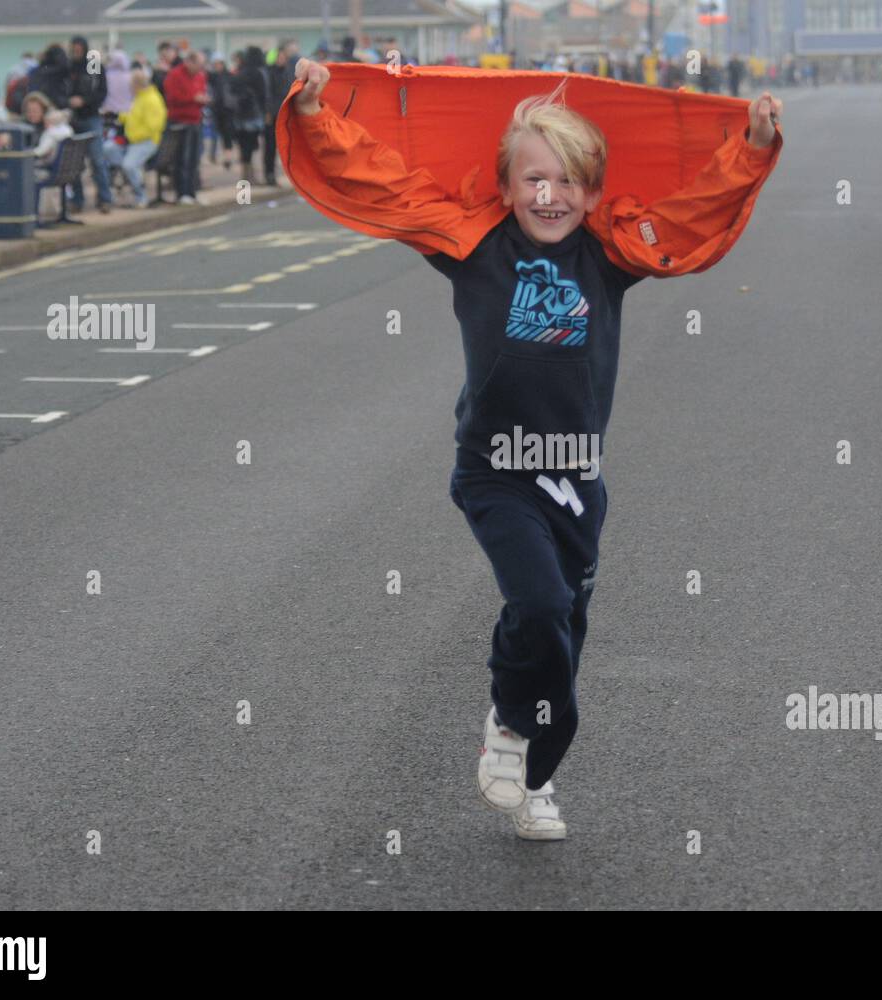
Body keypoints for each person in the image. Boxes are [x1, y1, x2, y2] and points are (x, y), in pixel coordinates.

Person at [280, 60, 784, 840]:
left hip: (577, 481)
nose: (549, 195)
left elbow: (689, 215)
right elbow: (382, 179)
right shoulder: (470, 244)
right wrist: (317, 116)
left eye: (568, 182)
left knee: (565, 637)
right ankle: (511, 730)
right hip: (497, 473)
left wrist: (749, 148)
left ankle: (539, 776)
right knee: (540, 604)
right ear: (506, 187)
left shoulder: (611, 257)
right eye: (532, 179)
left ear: (592, 192)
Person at [105, 68, 165, 209]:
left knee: (129, 165)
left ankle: (141, 195)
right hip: (134, 141)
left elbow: (153, 127)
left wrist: (132, 136)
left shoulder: (151, 99)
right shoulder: (141, 97)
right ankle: (131, 179)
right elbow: (134, 117)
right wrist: (119, 116)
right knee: (108, 149)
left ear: (137, 84)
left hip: (146, 141)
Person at [67, 35, 114, 214]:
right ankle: (77, 199)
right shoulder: (68, 66)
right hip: (72, 118)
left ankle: (104, 198)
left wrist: (84, 101)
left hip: (90, 116)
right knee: (74, 162)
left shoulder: (92, 64)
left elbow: (98, 91)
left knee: (97, 159)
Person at [162, 49, 209, 204]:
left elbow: (201, 92)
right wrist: (193, 98)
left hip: (195, 120)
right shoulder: (175, 75)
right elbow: (172, 97)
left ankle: (191, 191)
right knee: (182, 158)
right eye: (198, 65)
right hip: (179, 122)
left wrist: (202, 99)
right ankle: (182, 192)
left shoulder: (200, 76)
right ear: (189, 62)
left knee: (194, 159)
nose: (200, 69)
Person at [230, 47, 266, 185]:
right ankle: (250, 175)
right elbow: (262, 93)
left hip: (239, 115)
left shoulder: (239, 72)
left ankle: (245, 175)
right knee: (252, 145)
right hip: (253, 115)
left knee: (243, 146)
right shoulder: (257, 73)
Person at [262, 43, 296, 186]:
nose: (281, 59)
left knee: (286, 146)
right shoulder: (269, 73)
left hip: (285, 113)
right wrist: (268, 112)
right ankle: (269, 174)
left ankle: (290, 175)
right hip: (273, 113)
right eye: (279, 57)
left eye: (283, 57)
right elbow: (267, 94)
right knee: (270, 146)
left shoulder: (288, 72)